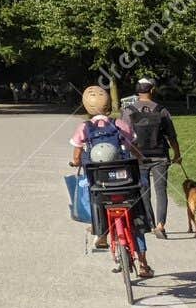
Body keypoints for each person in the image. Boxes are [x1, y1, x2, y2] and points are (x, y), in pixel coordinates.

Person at [70, 84, 153, 277]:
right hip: (124, 180)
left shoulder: (84, 127)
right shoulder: (119, 125)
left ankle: (100, 233)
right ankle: (143, 264)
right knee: (135, 218)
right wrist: (141, 158)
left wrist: (75, 162)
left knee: (95, 199)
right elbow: (132, 146)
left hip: (100, 182)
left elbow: (76, 154)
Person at [121, 78, 181, 239]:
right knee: (161, 191)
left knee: (143, 191)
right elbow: (172, 136)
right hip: (160, 155)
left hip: (138, 156)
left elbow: (125, 137)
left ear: (137, 91)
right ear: (152, 90)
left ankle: (151, 224)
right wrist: (177, 154)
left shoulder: (128, 111)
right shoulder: (162, 110)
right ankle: (161, 225)